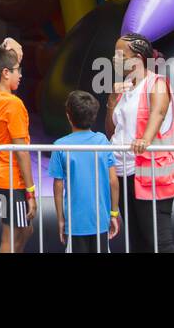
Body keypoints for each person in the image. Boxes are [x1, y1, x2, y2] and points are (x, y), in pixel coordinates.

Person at [104, 32, 174, 253]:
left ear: (136, 57)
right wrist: (110, 103)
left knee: (158, 241)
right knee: (138, 240)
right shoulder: (124, 87)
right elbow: (111, 131)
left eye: (119, 54)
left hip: (152, 174)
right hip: (125, 172)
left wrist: (145, 139)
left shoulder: (157, 84)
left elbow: (158, 113)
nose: (115, 59)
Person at [48, 90, 120, 253]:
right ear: (94, 116)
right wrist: (114, 213)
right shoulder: (102, 141)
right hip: (100, 219)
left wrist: (60, 219)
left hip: (75, 222)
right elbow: (113, 181)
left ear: (68, 115)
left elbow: (58, 187)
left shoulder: (60, 146)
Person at [0, 45, 36, 252]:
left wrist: (5, 48)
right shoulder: (13, 104)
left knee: (25, 230)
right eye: (17, 70)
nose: (20, 75)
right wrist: (30, 192)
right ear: (5, 73)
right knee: (11, 237)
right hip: (12, 180)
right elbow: (21, 152)